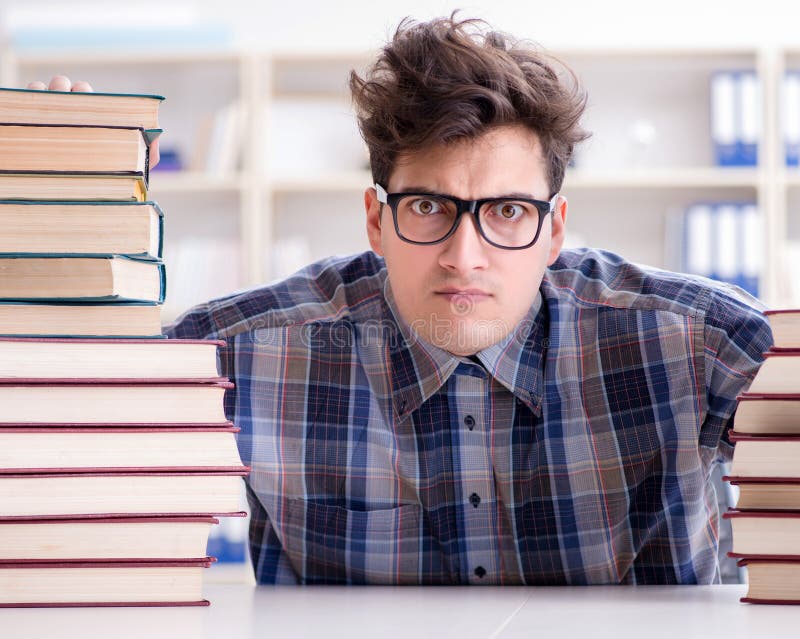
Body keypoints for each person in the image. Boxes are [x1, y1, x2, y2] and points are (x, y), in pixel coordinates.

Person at [33, 15, 773, 585]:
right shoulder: (251, 349)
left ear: (554, 231)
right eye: (427, 207)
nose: (464, 254)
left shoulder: (694, 339)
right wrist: (53, 212)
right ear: (376, 219)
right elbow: (56, 424)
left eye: (508, 212)